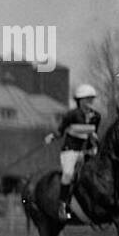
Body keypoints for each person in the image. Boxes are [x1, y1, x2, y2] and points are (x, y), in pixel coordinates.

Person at [45, 83, 101, 222]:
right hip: (70, 151)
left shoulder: (96, 116)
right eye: (87, 99)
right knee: (68, 174)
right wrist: (52, 136)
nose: (90, 102)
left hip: (86, 152)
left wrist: (94, 145)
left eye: (91, 99)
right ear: (80, 100)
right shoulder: (71, 115)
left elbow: (93, 134)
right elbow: (61, 130)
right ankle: (62, 206)